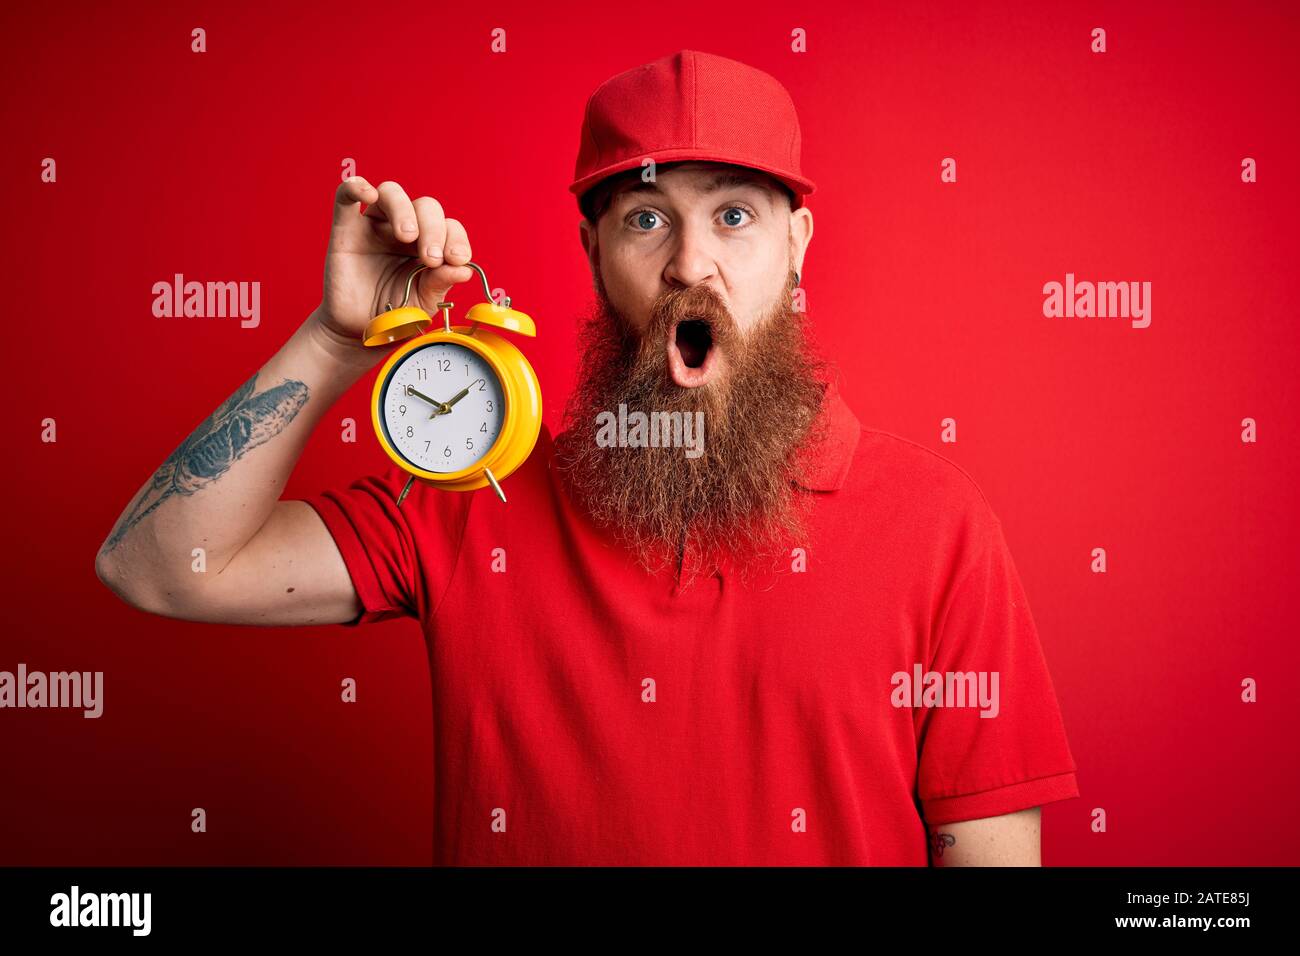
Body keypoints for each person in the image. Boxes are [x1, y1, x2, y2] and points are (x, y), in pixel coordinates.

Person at [95, 49, 1079, 865]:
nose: (690, 263)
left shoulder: (939, 525)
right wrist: (334, 340)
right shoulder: (472, 496)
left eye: (733, 215)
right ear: (590, 250)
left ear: (797, 245)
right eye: (647, 219)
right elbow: (156, 566)